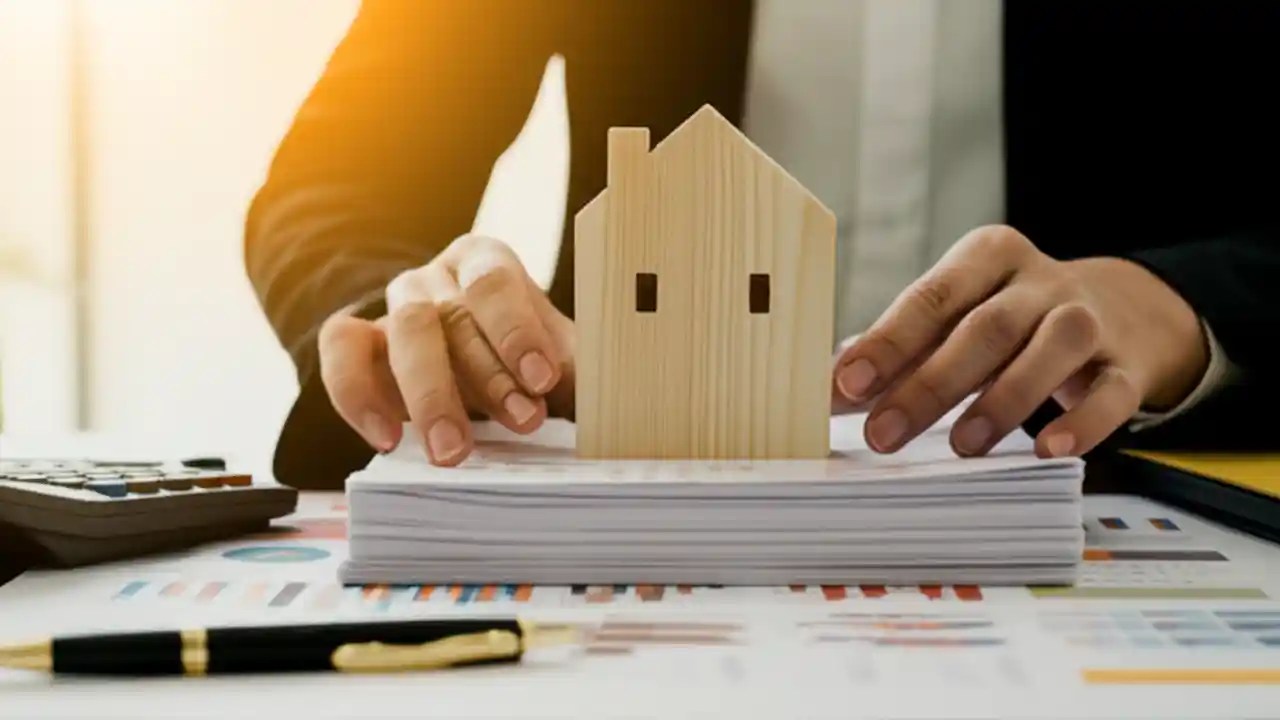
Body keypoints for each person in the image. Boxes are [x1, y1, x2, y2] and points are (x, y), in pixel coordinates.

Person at [244, 0, 1280, 489]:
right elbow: (337, 186)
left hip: (1111, 497)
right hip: (615, 495)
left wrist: (1183, 307)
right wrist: (423, 313)